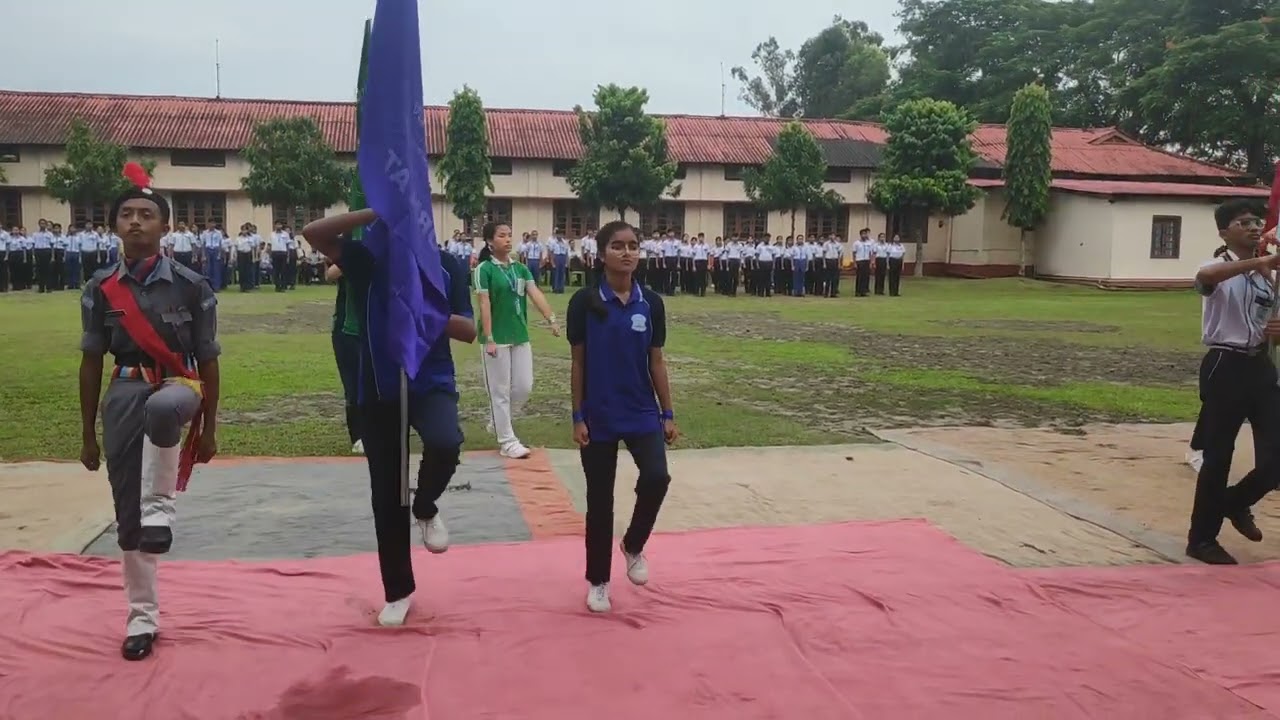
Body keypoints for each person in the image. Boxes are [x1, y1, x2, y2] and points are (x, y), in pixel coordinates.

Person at [303, 208, 476, 626]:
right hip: (379, 385)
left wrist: (421, 313)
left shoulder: (446, 264)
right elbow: (314, 233)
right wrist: (376, 206)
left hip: (429, 380)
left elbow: (468, 330)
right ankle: (397, 590)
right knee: (387, 492)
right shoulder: (366, 260)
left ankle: (427, 504)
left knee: (444, 443)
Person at [79, 163, 220, 660]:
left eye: (146, 214)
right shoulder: (100, 288)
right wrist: (87, 433)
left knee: (163, 406)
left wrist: (210, 427)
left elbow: (207, 356)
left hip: (178, 387)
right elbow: (92, 358)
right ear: (114, 225)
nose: (135, 222)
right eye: (126, 215)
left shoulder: (190, 284)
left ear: (165, 227)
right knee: (126, 514)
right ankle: (142, 618)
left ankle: (162, 505)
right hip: (122, 391)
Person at [566, 220, 678, 613]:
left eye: (633, 245)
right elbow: (578, 363)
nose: (627, 252)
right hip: (598, 414)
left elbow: (657, 360)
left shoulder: (652, 303)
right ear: (601, 254)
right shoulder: (584, 302)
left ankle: (633, 544)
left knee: (657, 477)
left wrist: (667, 412)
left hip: (642, 410)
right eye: (618, 246)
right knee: (600, 502)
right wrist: (578, 415)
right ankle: (598, 581)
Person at [1185, 199, 1280, 565]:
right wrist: (1260, 262)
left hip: (1260, 366)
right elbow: (1204, 281)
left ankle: (1234, 502)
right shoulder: (1216, 267)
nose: (1255, 227)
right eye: (1244, 222)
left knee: (1274, 458)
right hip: (1224, 365)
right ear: (1225, 231)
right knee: (1218, 457)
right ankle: (1202, 539)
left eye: (1258, 221)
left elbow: (1266, 324)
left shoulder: (1268, 278)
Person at [474, 221, 560, 459]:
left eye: (509, 235)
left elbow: (535, 294)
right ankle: (507, 441)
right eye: (502, 236)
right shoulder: (484, 269)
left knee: (523, 386)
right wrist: (489, 337)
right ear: (490, 241)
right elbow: (484, 303)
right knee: (499, 391)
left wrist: (551, 318)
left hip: (519, 334)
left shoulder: (520, 269)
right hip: (496, 338)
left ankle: (497, 421)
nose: (508, 239)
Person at [327, 262, 363, 454]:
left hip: (376, 328)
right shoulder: (350, 247)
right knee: (353, 386)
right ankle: (358, 436)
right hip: (346, 329)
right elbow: (330, 274)